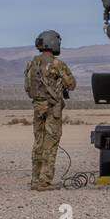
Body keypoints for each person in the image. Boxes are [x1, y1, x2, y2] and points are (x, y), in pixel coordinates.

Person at [24, 30, 76, 190]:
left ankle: (35, 179)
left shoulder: (32, 64)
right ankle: (45, 181)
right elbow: (71, 84)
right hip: (53, 109)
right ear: (53, 43)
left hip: (37, 108)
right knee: (50, 143)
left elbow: (27, 88)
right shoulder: (56, 64)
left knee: (38, 143)